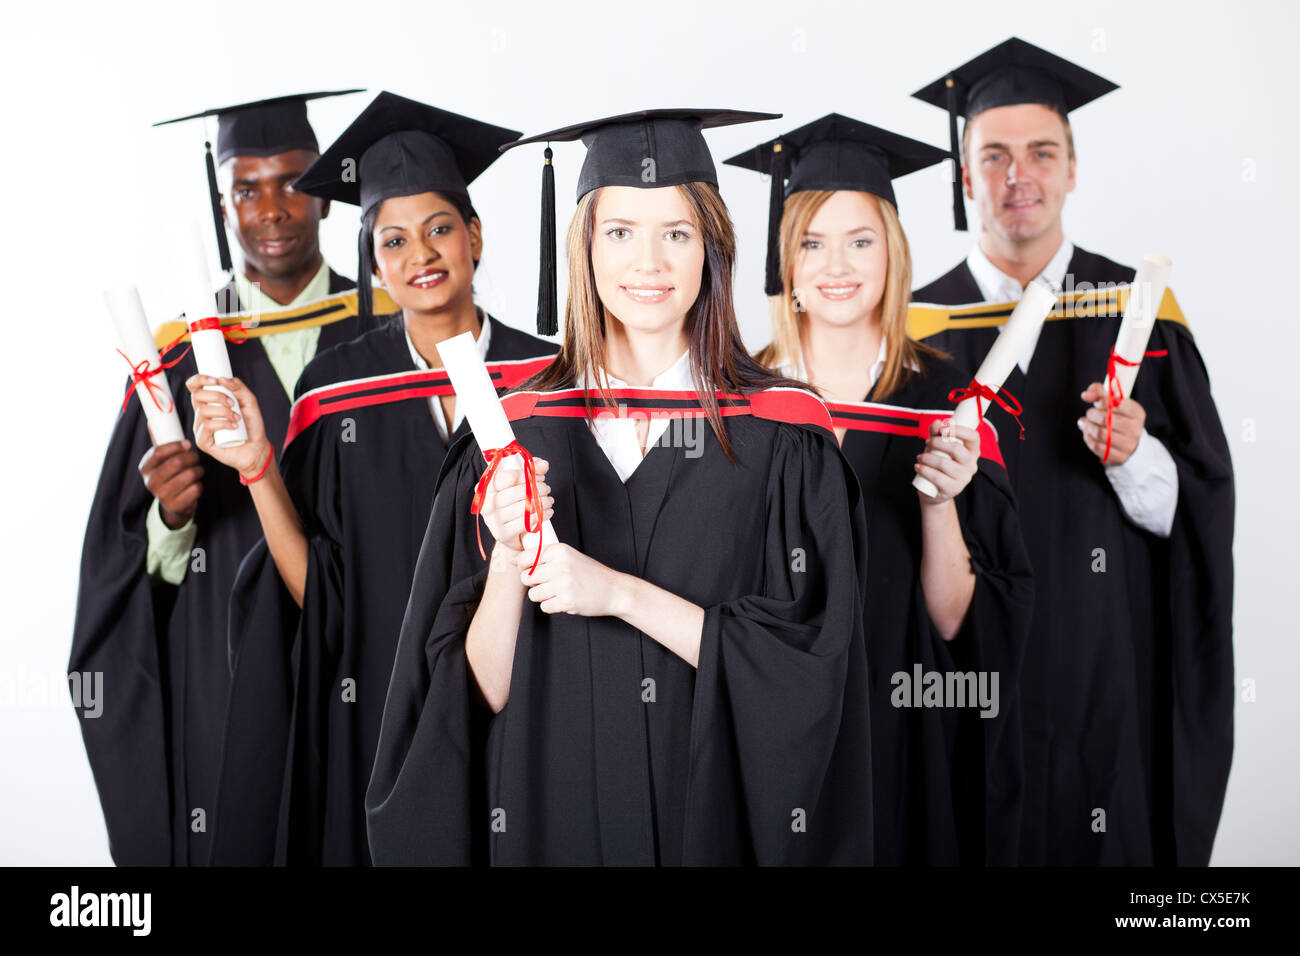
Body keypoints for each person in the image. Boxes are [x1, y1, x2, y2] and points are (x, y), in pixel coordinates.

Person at [365, 108, 875, 866]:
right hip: (549, 824)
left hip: (714, 828)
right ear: (584, 247)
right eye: (620, 233)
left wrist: (620, 594)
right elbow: (473, 701)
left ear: (712, 247)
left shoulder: (783, 438)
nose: (650, 263)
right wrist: (509, 558)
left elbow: (810, 681)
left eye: (676, 232)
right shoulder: (512, 434)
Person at [191, 92, 557, 866]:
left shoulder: (552, 378)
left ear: (475, 236)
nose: (419, 255)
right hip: (378, 716)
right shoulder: (335, 393)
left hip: (526, 706)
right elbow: (315, 590)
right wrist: (257, 467)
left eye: (438, 229)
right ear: (373, 259)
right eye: (393, 239)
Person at [911, 38, 1235, 865]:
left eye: (1041, 153)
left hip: (1106, 671)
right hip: (963, 672)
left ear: (1072, 169)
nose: (1019, 175)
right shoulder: (914, 331)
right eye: (994, 156)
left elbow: (1198, 511)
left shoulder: (1142, 311)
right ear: (964, 177)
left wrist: (1132, 454)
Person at [70, 90, 371, 866]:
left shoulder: (387, 335)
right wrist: (170, 521)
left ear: (326, 195)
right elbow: (123, 577)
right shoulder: (176, 360)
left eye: (293, 182)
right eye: (246, 187)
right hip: (227, 668)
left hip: (364, 658)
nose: (271, 209)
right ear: (223, 203)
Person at [727, 113, 1033, 865]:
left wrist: (938, 501)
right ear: (785, 262)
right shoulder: (738, 400)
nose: (838, 265)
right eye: (813, 242)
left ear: (892, 255)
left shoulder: (941, 398)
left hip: (900, 728)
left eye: (860, 241)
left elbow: (959, 622)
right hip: (765, 727)